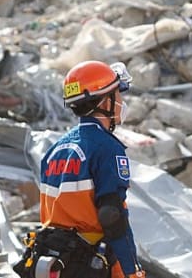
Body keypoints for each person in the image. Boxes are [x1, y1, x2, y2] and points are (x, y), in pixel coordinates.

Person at [34, 60, 145, 278]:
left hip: (55, 261)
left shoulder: (55, 151)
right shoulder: (107, 148)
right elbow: (112, 216)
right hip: (88, 263)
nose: (121, 101)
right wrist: (131, 270)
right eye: (118, 94)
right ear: (104, 100)